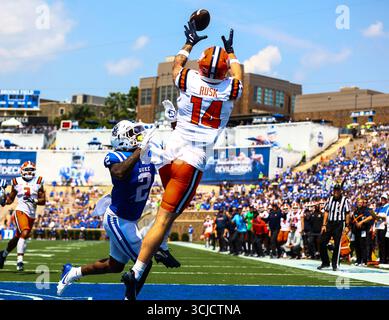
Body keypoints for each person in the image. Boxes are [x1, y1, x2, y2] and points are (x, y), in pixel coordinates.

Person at [122, 19, 243, 300]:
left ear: (200, 66)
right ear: (224, 71)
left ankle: (160, 246)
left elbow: (175, 65)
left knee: (167, 211)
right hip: (191, 158)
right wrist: (232, 52)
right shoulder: (229, 89)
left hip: (167, 148)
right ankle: (138, 270)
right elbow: (239, 75)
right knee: (166, 216)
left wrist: (189, 42)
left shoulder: (188, 78)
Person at [57, 121, 179, 296]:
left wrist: (175, 124)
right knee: (144, 262)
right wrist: (139, 151)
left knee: (114, 266)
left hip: (131, 219)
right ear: (121, 139)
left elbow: (171, 153)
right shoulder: (115, 157)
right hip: (118, 219)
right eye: (131, 134)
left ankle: (72, 272)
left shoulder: (148, 154)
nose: (137, 136)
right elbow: (119, 173)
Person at [0, 162, 46, 271]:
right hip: (20, 211)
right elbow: (10, 200)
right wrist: (3, 200)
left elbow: (43, 201)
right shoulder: (16, 181)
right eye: (27, 169)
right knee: (24, 232)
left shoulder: (39, 181)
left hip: (31, 214)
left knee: (18, 236)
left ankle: (3, 254)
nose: (29, 171)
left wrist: (34, 200)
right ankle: (19, 261)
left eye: (31, 169)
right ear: (22, 170)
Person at [318, 184, 351, 271]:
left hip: (339, 224)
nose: (336, 192)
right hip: (329, 224)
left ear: (340, 191)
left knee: (337, 245)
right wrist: (324, 225)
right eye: (335, 190)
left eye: (338, 190)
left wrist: (347, 226)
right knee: (321, 242)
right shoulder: (330, 199)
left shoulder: (345, 200)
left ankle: (335, 264)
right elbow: (326, 211)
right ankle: (325, 262)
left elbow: (347, 213)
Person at [351, 197, 374, 266]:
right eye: (359, 202)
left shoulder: (365, 210)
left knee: (363, 245)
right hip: (356, 230)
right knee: (357, 245)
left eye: (361, 202)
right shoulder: (355, 210)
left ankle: (364, 261)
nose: (360, 204)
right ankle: (358, 260)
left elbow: (370, 217)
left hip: (363, 230)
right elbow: (353, 220)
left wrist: (361, 222)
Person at [375, 193, 389, 264]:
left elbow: (387, 217)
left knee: (384, 244)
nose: (382, 200)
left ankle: (384, 260)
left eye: (384, 198)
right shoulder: (380, 207)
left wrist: (379, 217)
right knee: (380, 244)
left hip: (384, 227)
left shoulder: (388, 207)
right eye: (382, 198)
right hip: (378, 227)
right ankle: (381, 258)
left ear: (387, 199)